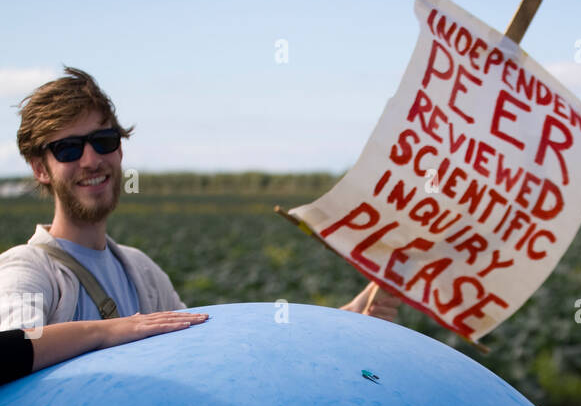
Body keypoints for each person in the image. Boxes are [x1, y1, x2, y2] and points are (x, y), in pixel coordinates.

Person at [0, 66, 399, 333]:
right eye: (68, 149)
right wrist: (114, 332)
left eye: (103, 141)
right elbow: (15, 353)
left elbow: (210, 348)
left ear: (119, 152)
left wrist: (344, 321)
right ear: (39, 168)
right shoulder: (28, 269)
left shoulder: (141, 272)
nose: (91, 160)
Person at [0, 311, 209, 388]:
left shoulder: (138, 264)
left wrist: (102, 330)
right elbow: (21, 348)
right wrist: (101, 331)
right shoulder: (26, 270)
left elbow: (20, 348)